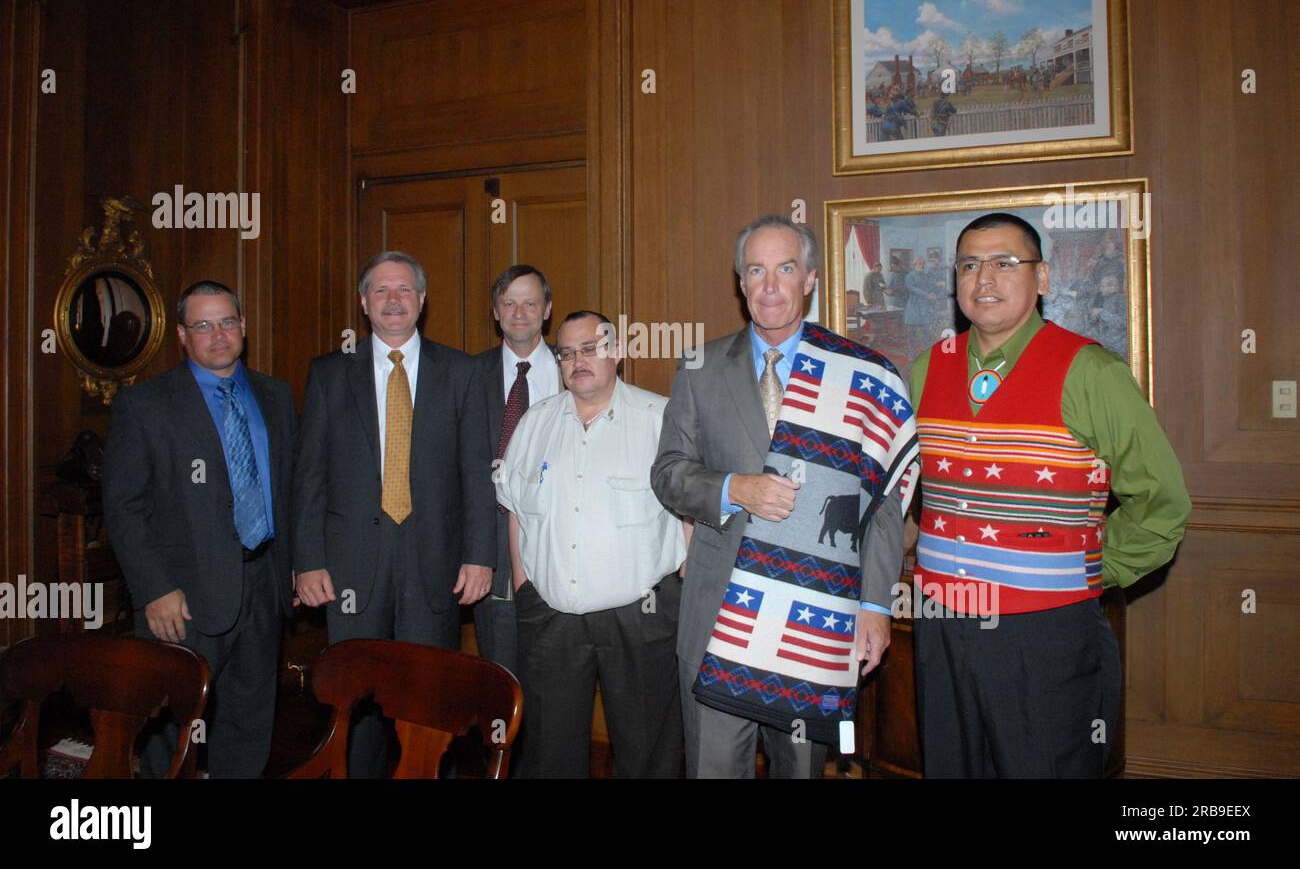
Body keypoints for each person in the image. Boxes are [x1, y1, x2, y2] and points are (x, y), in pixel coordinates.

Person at [908, 212, 1191, 777]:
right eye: (969, 265)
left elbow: (1162, 503)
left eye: (1004, 263)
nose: (983, 278)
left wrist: (1091, 569)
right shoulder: (924, 370)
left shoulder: (1091, 371)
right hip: (939, 625)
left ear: (1043, 279)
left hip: (1045, 633)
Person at [652, 215, 911, 779]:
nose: (770, 286)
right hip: (720, 616)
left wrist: (874, 606)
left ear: (811, 279)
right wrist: (732, 488)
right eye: (756, 271)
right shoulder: (698, 367)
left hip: (815, 620)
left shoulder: (859, 377)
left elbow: (885, 503)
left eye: (785, 269)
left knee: (801, 769)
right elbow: (668, 473)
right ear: (740, 283)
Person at [292, 251, 495, 778]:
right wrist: (308, 560)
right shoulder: (329, 374)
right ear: (364, 303)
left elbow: (477, 473)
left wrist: (479, 556)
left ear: (422, 300)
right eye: (381, 291)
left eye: (404, 289)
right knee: (356, 700)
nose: (393, 300)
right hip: (351, 567)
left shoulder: (462, 371)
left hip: (435, 563)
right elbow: (309, 477)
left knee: (430, 701)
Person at [103, 280, 296, 778]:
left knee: (250, 718)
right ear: (182, 336)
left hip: (263, 581)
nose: (218, 335)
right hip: (182, 596)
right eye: (203, 325)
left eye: (227, 322)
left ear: (244, 328)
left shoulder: (276, 395)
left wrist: (292, 570)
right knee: (170, 726)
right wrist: (155, 588)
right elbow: (123, 506)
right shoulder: (144, 405)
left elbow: (291, 490)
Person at [496, 311, 686, 778]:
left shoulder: (660, 418)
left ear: (617, 352)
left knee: (648, 753)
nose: (577, 360)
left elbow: (691, 516)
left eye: (591, 348)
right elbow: (516, 510)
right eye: (567, 353)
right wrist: (524, 586)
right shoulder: (534, 423)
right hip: (550, 617)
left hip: (640, 617)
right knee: (549, 753)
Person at [471, 264, 561, 677]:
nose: (519, 312)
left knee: (559, 680)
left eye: (530, 303)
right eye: (509, 303)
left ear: (546, 311)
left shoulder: (574, 371)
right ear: (495, 311)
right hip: (490, 554)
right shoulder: (467, 375)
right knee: (501, 679)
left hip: (563, 549)